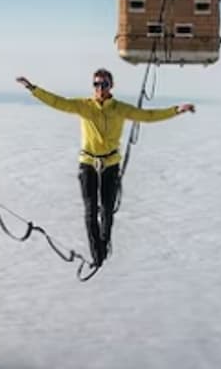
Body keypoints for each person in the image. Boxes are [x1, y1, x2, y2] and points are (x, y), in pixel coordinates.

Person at [15, 70, 195, 267]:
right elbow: (58, 102)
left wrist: (176, 110)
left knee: (107, 210)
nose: (100, 88)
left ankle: (104, 243)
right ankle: (97, 254)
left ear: (111, 86)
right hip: (88, 164)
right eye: (96, 84)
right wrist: (33, 88)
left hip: (110, 164)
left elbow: (148, 115)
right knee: (91, 211)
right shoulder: (84, 106)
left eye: (104, 84)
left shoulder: (119, 108)